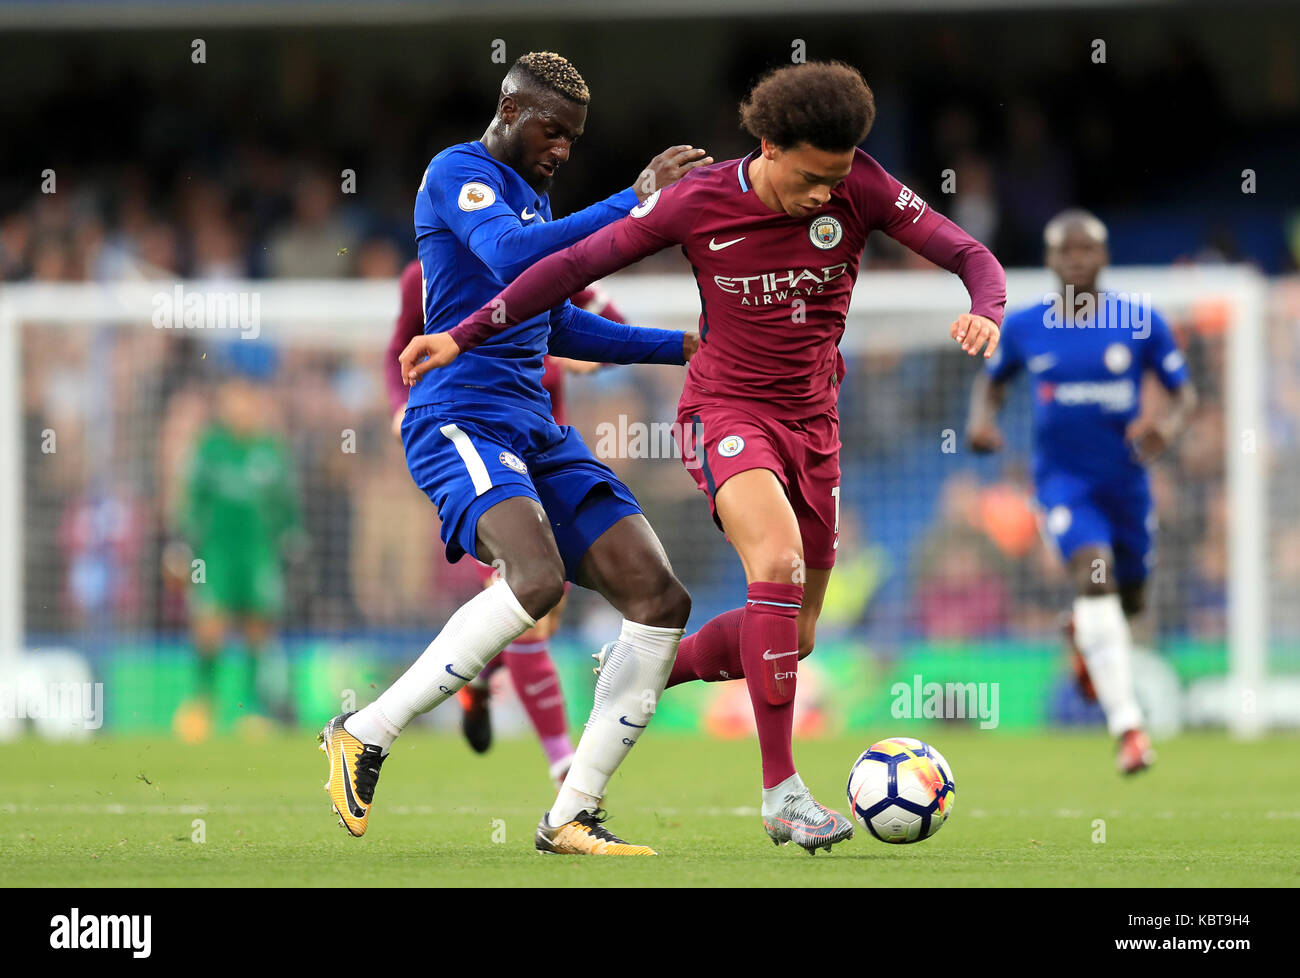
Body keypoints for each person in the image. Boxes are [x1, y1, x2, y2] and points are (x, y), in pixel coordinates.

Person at [406, 61, 1005, 853]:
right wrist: (462, 332)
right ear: (768, 145)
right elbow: (567, 270)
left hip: (815, 423)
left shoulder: (860, 184)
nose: (827, 194)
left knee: (797, 635)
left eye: (838, 178)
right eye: (812, 177)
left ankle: (643, 670)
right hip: (723, 411)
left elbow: (969, 253)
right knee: (778, 565)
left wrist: (986, 310)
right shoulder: (699, 198)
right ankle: (782, 795)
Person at [321, 51, 708, 856]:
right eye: (551, 131)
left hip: (535, 426)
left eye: (572, 138)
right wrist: (634, 200)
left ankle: (572, 809)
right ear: (508, 107)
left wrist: (682, 348)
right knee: (532, 581)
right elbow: (507, 258)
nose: (561, 149)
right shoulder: (458, 175)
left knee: (660, 599)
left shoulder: (536, 196)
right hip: (459, 416)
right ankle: (366, 731)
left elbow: (556, 322)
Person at [966, 209, 1197, 774]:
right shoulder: (1024, 325)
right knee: (1095, 575)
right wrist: (980, 423)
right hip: (1064, 485)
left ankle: (1082, 637)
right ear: (1048, 261)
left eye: (1085, 250)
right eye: (1064, 251)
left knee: (1132, 601)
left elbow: (1183, 393)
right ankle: (1130, 731)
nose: (1075, 260)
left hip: (1127, 485)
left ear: (1104, 257)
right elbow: (991, 383)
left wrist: (1165, 426)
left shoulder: (1139, 322)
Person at [384, 258, 626, 787]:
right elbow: (398, 349)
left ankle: (480, 673)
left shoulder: (546, 263)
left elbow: (613, 325)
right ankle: (564, 761)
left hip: (546, 448)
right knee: (527, 593)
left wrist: (591, 324)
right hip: (474, 448)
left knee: (541, 604)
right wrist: (401, 406)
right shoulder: (422, 278)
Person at [175, 376, 302, 741]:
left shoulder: (270, 450)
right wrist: (183, 543)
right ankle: (201, 706)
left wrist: (294, 540)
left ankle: (253, 711)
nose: (241, 409)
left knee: (257, 631)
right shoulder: (210, 448)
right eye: (234, 402)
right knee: (209, 628)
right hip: (215, 553)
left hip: (258, 553)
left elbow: (285, 504)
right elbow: (193, 500)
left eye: (246, 401)